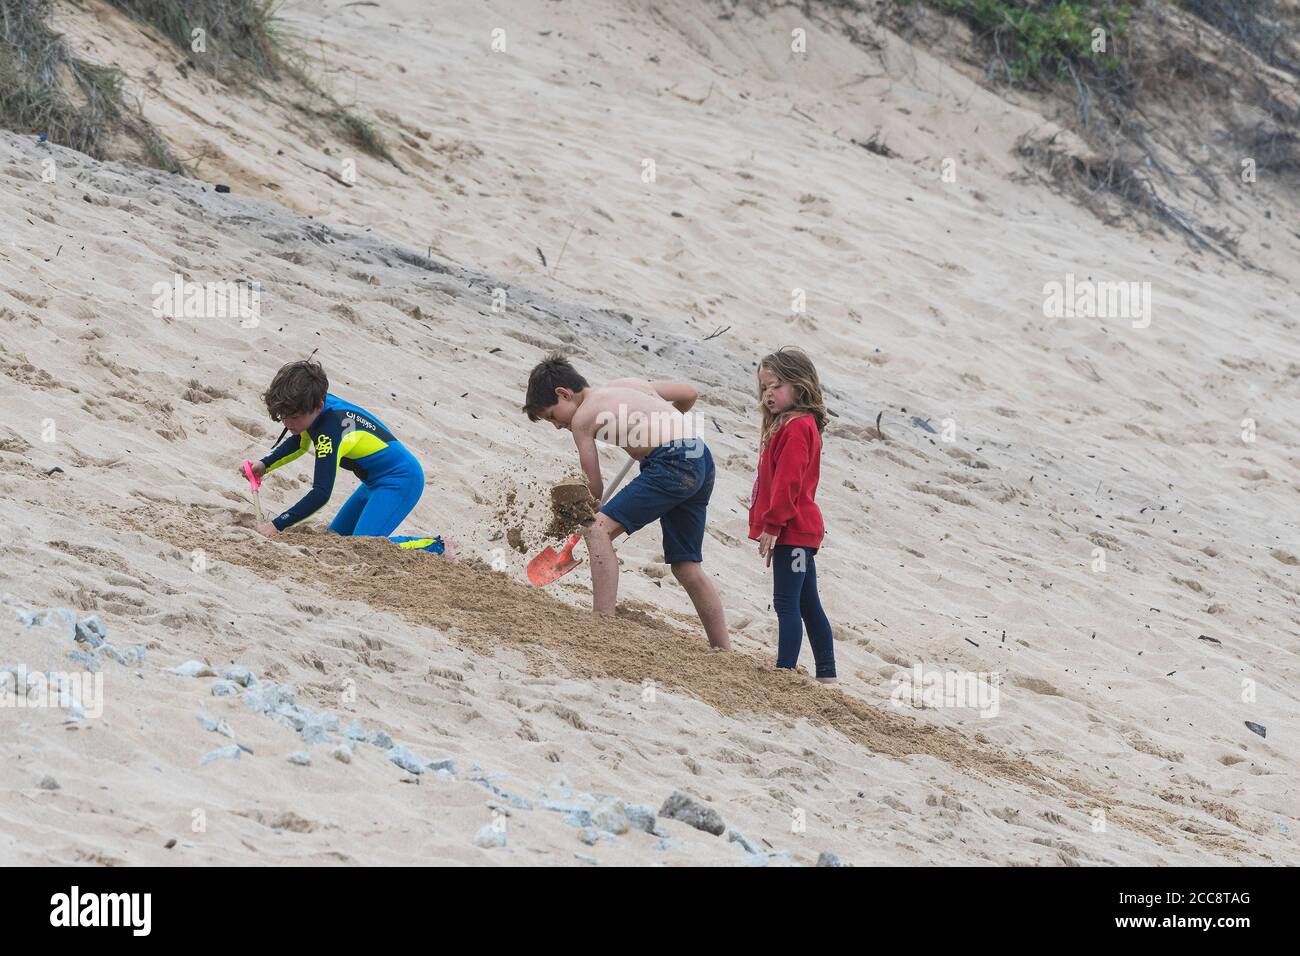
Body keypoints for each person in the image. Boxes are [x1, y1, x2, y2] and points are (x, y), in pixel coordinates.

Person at [523, 353, 730, 650]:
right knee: (686, 565)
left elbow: (594, 488)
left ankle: (602, 620)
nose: (557, 426)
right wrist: (665, 425)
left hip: (671, 463)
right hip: (699, 456)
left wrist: (583, 510)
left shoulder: (582, 419)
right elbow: (689, 394)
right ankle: (723, 649)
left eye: (553, 417)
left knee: (596, 530)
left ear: (563, 394)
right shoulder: (628, 385)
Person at [242, 358, 425, 538]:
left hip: (401, 479)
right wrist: (265, 464)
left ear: (318, 406)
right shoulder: (312, 403)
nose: (288, 422)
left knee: (363, 547)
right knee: (335, 539)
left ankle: (436, 547)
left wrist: (277, 524)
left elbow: (321, 493)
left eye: (294, 417)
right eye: (283, 416)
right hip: (372, 483)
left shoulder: (329, 430)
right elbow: (300, 441)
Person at [750, 347, 836, 682]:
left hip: (793, 532)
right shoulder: (789, 424)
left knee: (787, 603)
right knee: (807, 604)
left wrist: (773, 525)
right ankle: (827, 675)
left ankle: (784, 671)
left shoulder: (798, 427)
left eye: (777, 386)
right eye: (764, 388)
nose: (769, 393)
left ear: (799, 387)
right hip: (796, 531)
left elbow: (790, 480)